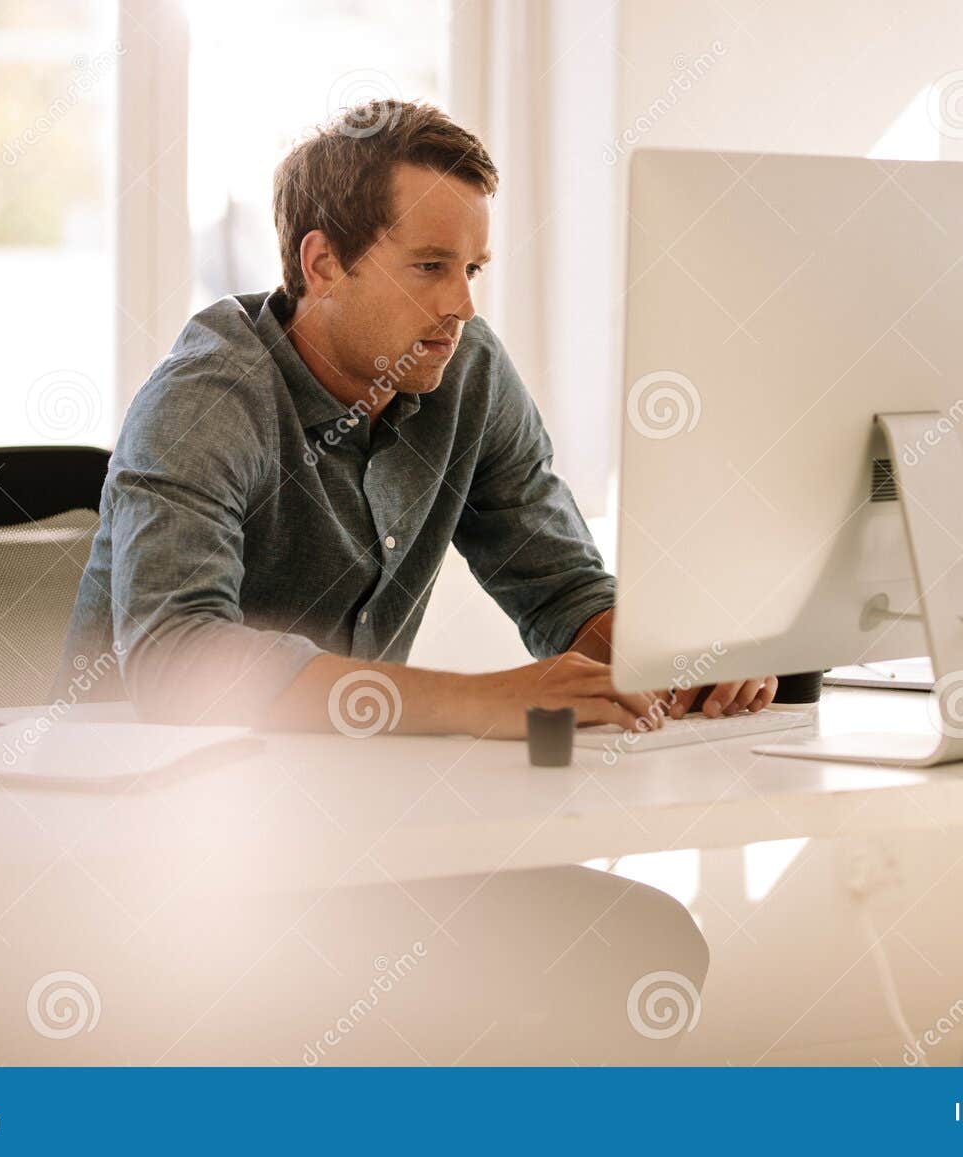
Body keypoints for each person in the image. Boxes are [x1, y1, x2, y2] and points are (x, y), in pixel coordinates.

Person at [58, 100, 765, 1062]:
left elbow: (562, 586)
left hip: (351, 837)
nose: (462, 306)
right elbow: (179, 662)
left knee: (642, 947)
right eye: (430, 267)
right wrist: (478, 704)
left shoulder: (463, 372)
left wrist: (677, 651)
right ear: (322, 265)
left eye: (472, 270)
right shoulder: (205, 399)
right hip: (165, 860)